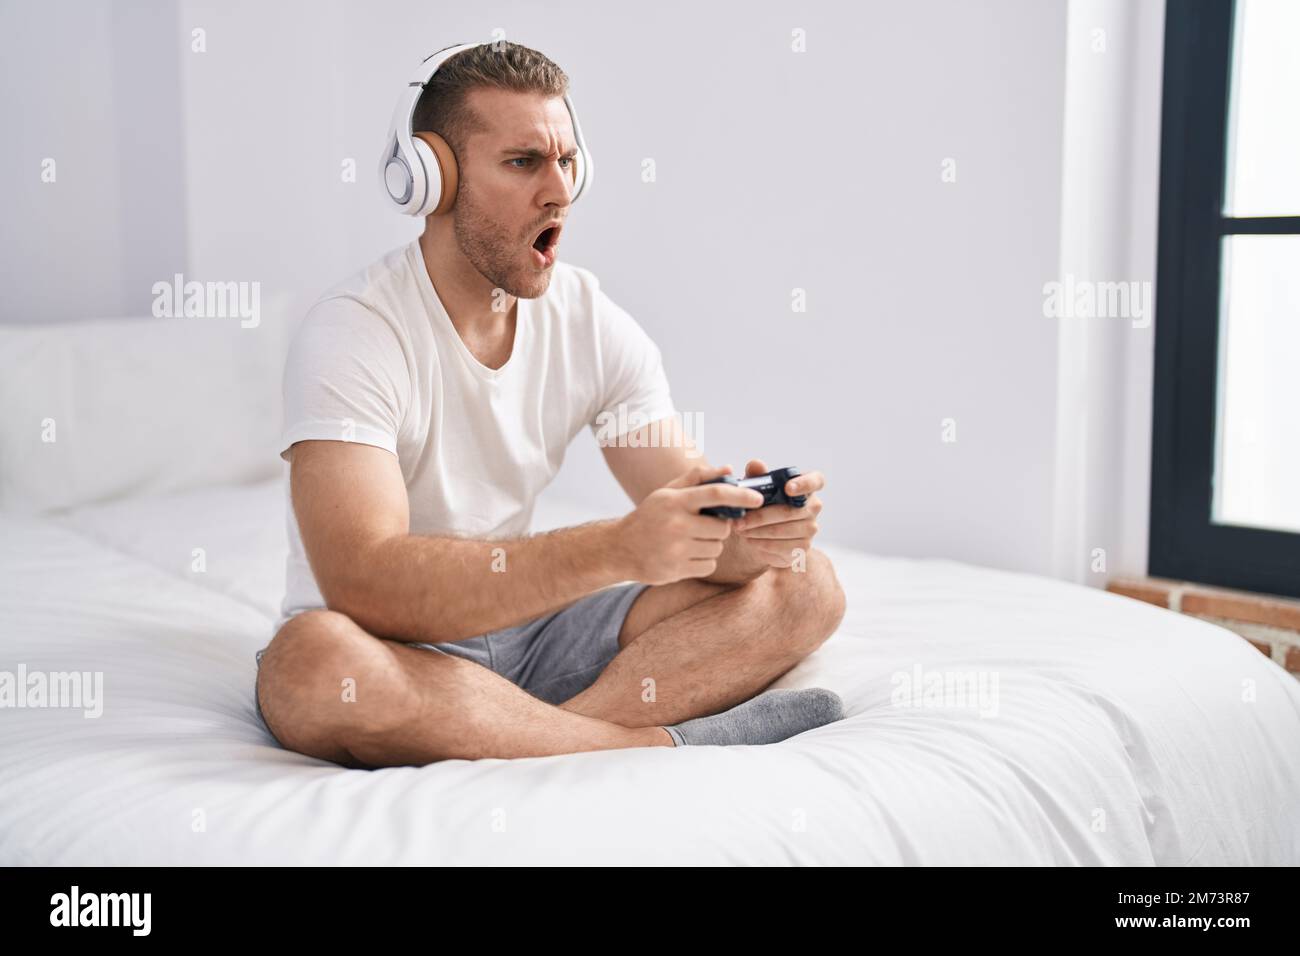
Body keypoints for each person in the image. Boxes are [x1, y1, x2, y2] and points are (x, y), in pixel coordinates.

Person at [254, 41, 847, 768]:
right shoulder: (355, 331)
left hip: (534, 636)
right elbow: (362, 581)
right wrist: (615, 547)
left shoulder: (587, 318)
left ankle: (539, 738)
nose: (559, 190)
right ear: (432, 179)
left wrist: (751, 534)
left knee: (805, 581)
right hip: (391, 649)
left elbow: (687, 518)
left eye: (566, 162)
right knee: (309, 665)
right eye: (523, 162)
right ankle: (642, 742)